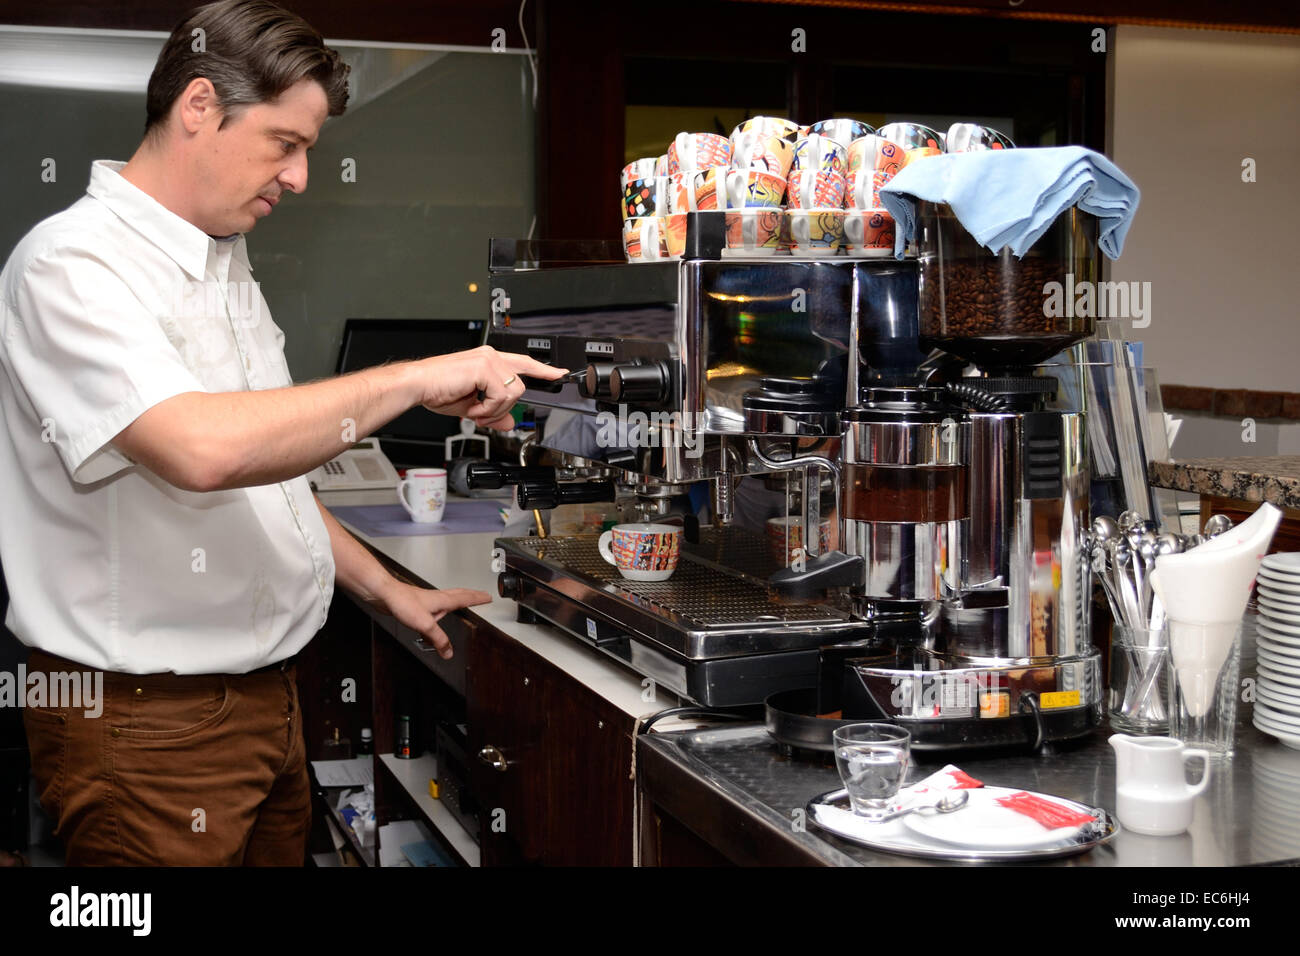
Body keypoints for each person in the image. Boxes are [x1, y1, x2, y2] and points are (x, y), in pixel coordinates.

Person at [0, 0, 563, 866]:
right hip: (148, 727)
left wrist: (387, 592)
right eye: (285, 143)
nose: (299, 178)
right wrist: (416, 377)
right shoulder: (68, 265)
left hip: (268, 701)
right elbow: (203, 449)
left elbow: (269, 479)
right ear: (198, 107)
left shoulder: (222, 258)